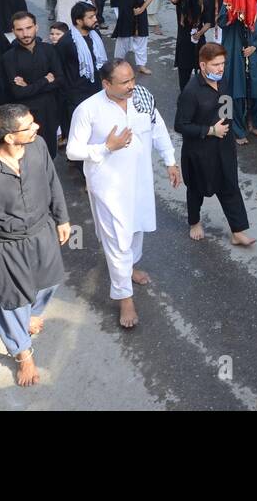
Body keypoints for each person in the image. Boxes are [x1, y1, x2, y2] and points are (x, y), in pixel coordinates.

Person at [66, 59, 180, 328]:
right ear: (106, 84)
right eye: (124, 82)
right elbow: (73, 150)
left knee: (136, 229)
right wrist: (106, 147)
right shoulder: (88, 110)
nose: (132, 85)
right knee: (117, 240)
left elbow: (157, 128)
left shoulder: (141, 97)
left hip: (139, 181)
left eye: (132, 79)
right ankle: (124, 298)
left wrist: (170, 161)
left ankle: (129, 269)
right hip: (108, 188)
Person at [0, 104, 71, 386]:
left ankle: (32, 314)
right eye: (29, 126)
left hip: (42, 232)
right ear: (9, 137)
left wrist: (62, 218)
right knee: (10, 301)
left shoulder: (39, 148)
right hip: (3, 245)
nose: (37, 128)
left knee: (49, 282)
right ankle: (23, 353)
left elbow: (52, 181)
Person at [173, 44, 255, 246]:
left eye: (223, 64)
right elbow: (180, 125)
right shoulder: (191, 92)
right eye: (215, 64)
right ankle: (194, 222)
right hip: (200, 151)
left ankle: (238, 231)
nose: (220, 68)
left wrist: (229, 129)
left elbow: (226, 105)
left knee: (230, 186)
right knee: (197, 189)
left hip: (224, 147)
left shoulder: (223, 81)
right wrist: (210, 131)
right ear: (203, 65)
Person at [2, 12, 66, 158]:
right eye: (20, 30)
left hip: (50, 111)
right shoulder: (9, 57)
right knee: (29, 156)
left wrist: (29, 86)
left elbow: (60, 80)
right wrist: (45, 80)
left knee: (50, 154)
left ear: (36, 27)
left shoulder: (49, 50)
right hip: (25, 117)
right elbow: (17, 93)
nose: (25, 33)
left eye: (29, 28)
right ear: (13, 31)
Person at [221, 2, 257, 143]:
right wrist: (234, 11)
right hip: (234, 56)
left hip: (253, 57)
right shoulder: (230, 5)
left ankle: (253, 122)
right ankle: (236, 130)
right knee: (235, 94)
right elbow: (222, 22)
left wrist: (255, 46)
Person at [58, 2, 108, 132]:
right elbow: (60, 69)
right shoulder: (67, 42)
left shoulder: (95, 35)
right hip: (76, 95)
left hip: (97, 90)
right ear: (79, 21)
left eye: (95, 16)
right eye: (90, 17)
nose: (95, 19)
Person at [110, 0, 154, 75]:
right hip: (125, 12)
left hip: (140, 12)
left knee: (141, 39)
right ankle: (118, 64)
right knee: (123, 39)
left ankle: (141, 65)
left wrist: (142, 8)